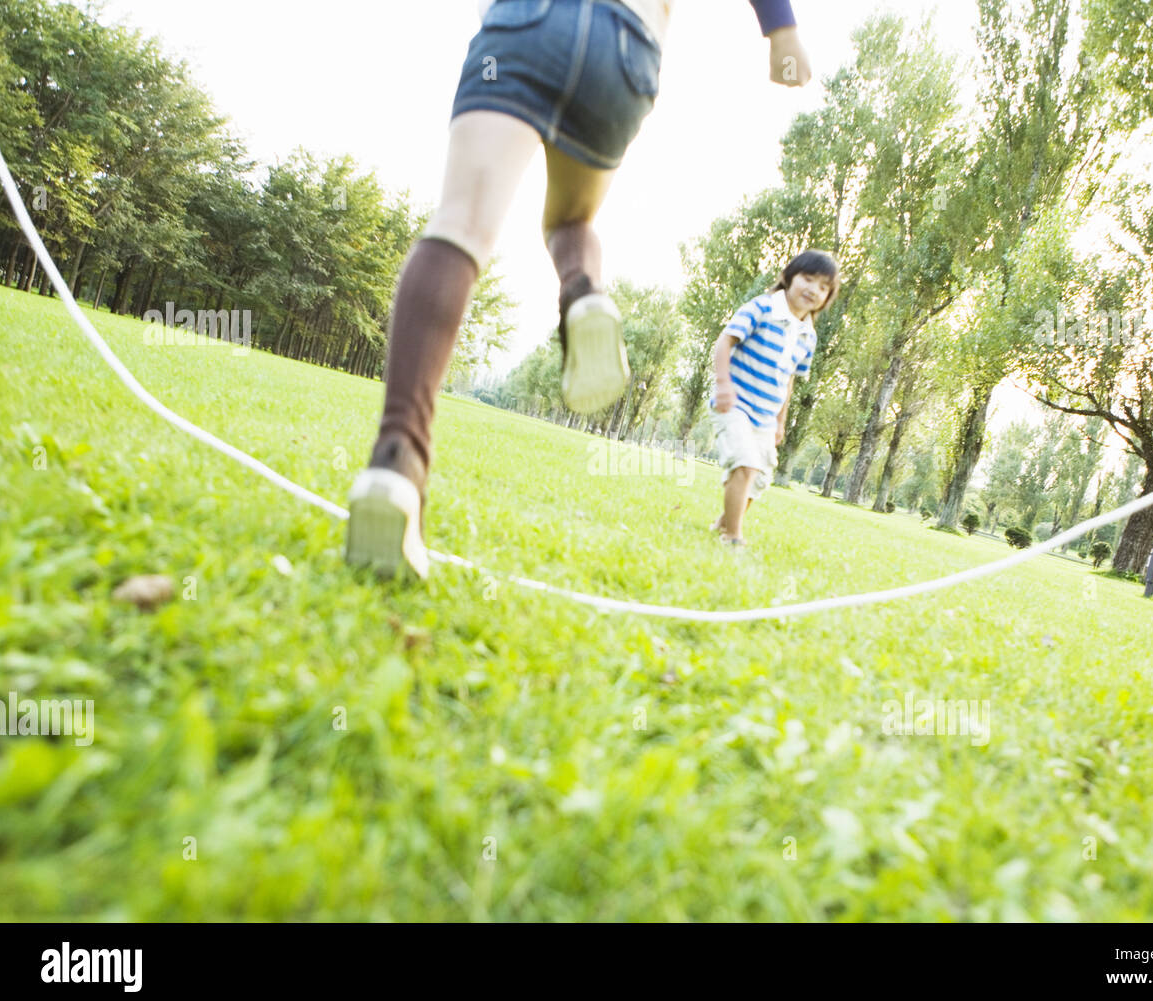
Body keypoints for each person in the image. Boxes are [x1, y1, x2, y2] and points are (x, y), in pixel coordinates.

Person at [346, 0, 813, 578]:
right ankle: (583, 288)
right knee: (570, 220)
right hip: (626, 46)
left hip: (527, 23)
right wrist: (780, 30)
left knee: (462, 223)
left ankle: (398, 460)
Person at [708, 249, 840, 546]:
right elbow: (725, 340)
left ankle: (723, 523)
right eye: (808, 279)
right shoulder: (763, 307)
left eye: (823, 287)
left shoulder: (808, 335)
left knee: (758, 478)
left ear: (827, 297)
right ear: (789, 276)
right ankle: (733, 537)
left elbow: (788, 379)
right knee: (745, 464)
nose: (813, 290)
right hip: (735, 404)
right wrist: (723, 383)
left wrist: (781, 421)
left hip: (766, 417)